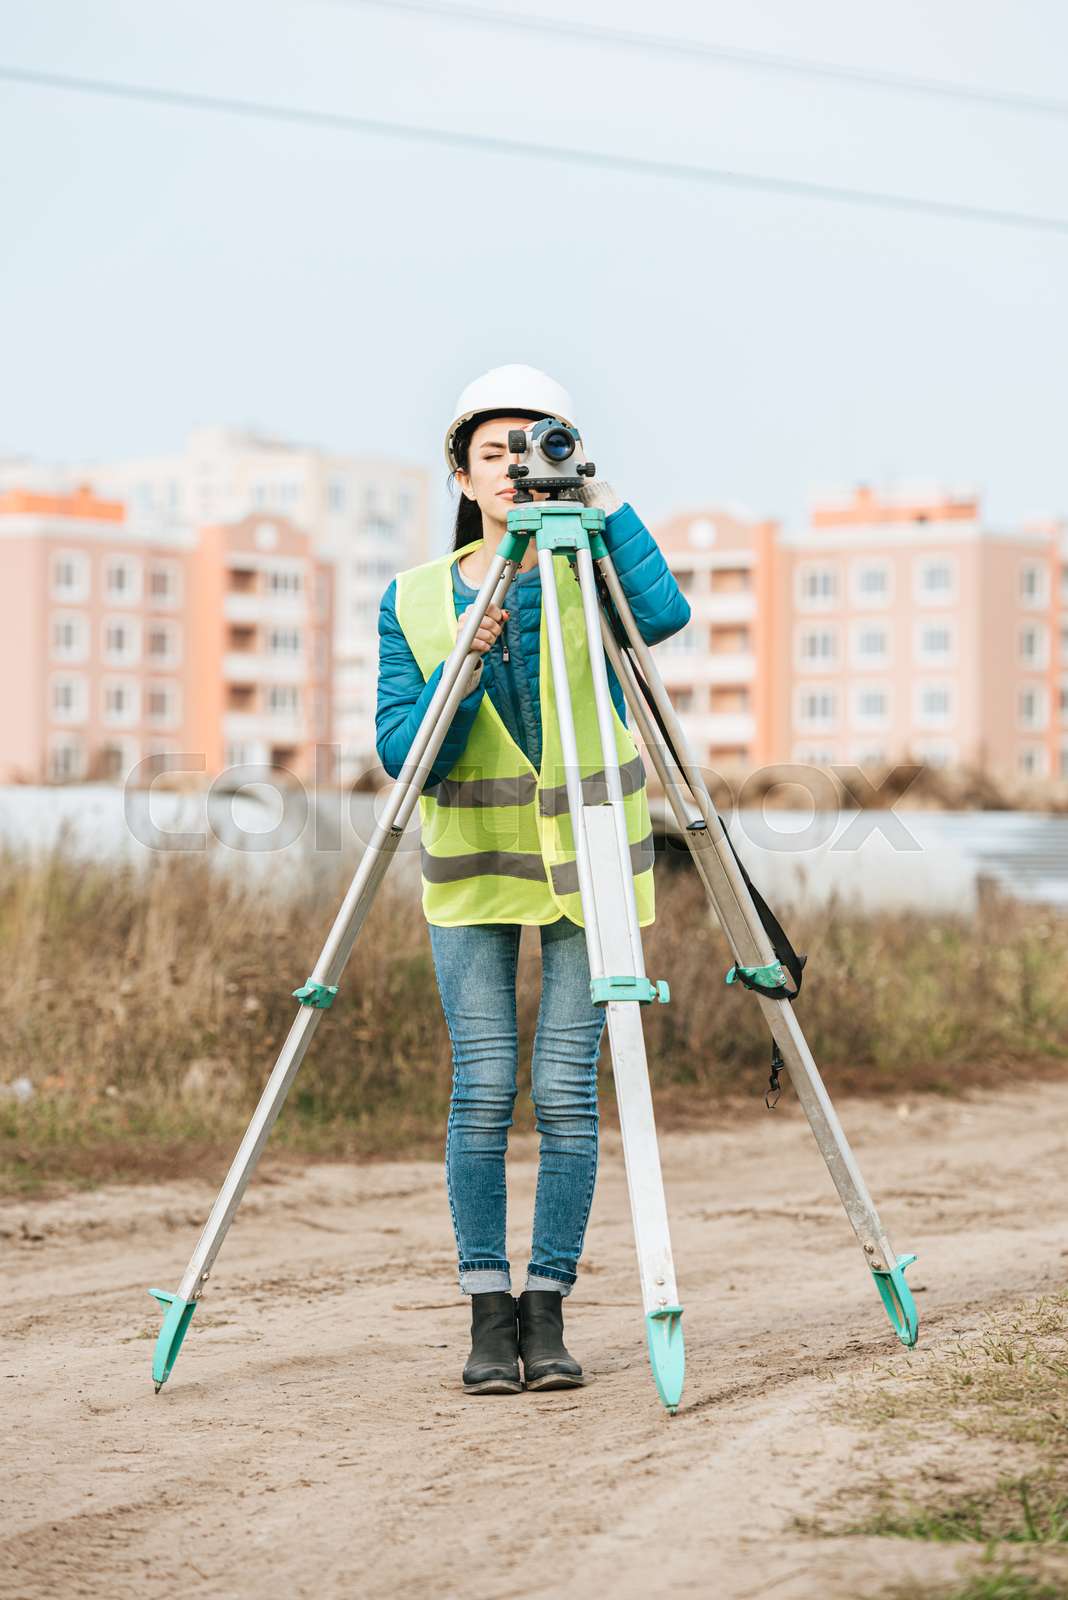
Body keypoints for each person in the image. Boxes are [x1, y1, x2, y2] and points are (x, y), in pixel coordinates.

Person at [375, 364, 690, 1395]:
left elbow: (667, 615)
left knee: (563, 1095)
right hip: (472, 873)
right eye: (493, 451)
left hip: (585, 865)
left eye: (536, 446)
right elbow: (396, 749)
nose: (514, 467)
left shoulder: (586, 569)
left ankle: (546, 1309)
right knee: (481, 1092)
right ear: (461, 474)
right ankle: (486, 1311)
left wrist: (595, 501)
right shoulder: (416, 599)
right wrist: (463, 665)